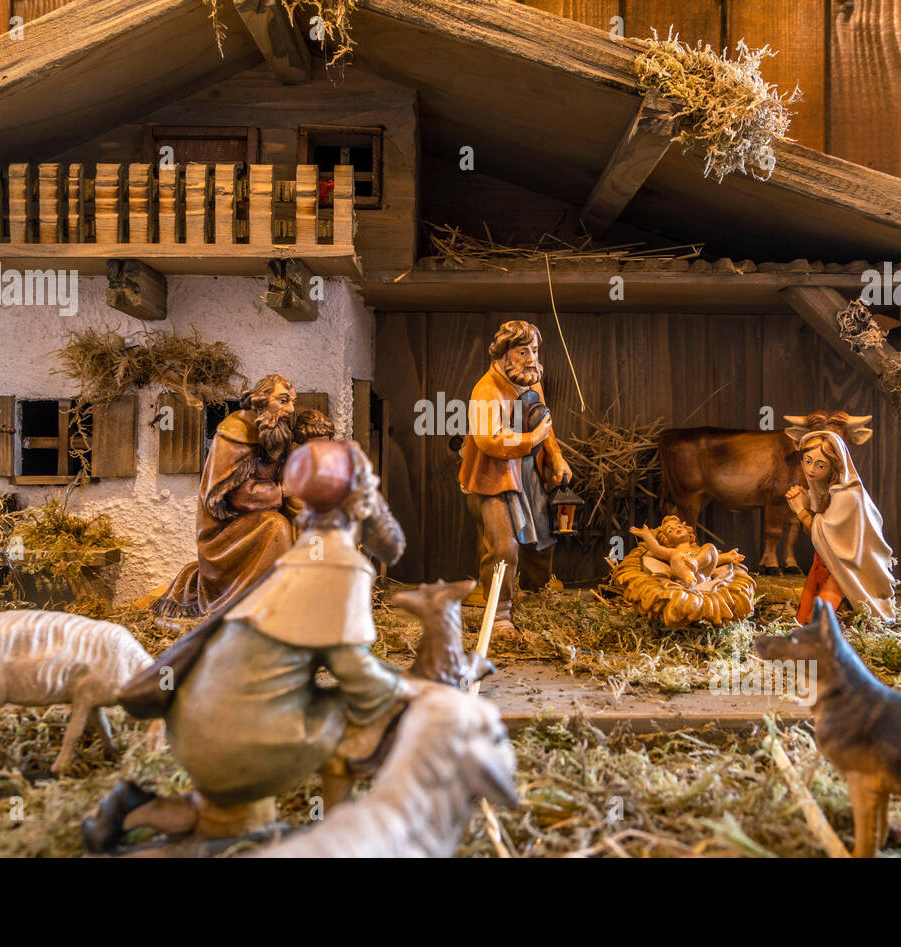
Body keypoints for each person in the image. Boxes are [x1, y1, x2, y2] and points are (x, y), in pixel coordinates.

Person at [86, 441, 409, 849]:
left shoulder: (295, 557)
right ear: (361, 502)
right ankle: (339, 837)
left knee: (237, 817)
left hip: (196, 731)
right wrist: (416, 692)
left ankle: (137, 810)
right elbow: (357, 675)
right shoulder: (340, 564)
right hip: (243, 742)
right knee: (363, 720)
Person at [152, 373, 298, 619]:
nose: (291, 409)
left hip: (256, 517)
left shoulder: (274, 431)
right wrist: (282, 492)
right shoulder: (236, 432)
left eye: (292, 401)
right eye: (283, 401)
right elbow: (240, 497)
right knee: (277, 527)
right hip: (224, 529)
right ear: (261, 400)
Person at [459, 321, 572, 633]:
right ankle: (499, 615)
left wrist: (555, 454)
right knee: (504, 547)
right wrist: (533, 440)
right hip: (494, 481)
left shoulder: (531, 380)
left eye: (534, 350)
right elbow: (490, 440)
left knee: (543, 540)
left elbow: (543, 418)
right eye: (523, 351)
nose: (531, 358)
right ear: (504, 355)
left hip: (528, 475)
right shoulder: (486, 391)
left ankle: (537, 599)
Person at [785, 430, 896, 624]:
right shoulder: (827, 489)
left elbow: (826, 534)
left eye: (820, 465)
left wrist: (801, 511)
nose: (811, 469)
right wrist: (804, 501)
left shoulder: (847, 495)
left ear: (834, 466)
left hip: (848, 567)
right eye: (807, 461)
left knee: (822, 614)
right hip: (827, 561)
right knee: (805, 614)